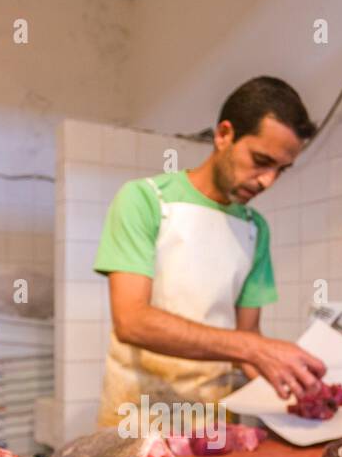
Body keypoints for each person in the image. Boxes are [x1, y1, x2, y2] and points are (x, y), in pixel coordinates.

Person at [92, 76, 327, 428]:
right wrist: (254, 349)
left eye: (281, 169)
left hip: (214, 421)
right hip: (136, 415)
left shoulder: (254, 228)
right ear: (224, 135)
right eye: (261, 160)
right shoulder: (145, 200)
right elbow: (132, 321)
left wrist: (290, 377)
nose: (268, 181)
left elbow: (248, 337)